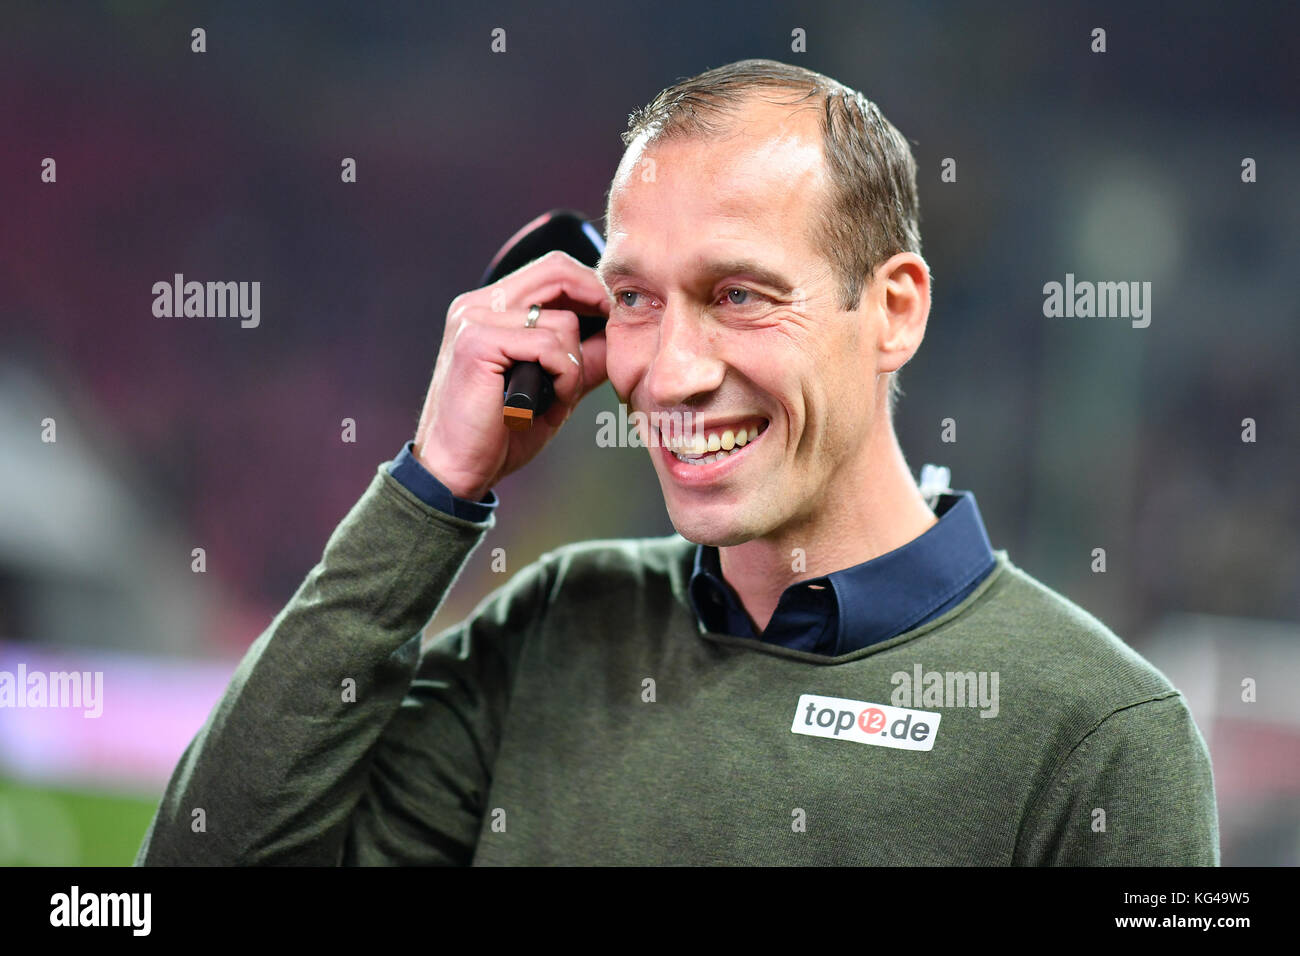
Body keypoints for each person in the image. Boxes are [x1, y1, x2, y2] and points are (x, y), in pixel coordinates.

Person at [136, 59, 1218, 866]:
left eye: (739, 294)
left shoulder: (1105, 737)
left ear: (892, 309)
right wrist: (435, 485)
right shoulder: (558, 624)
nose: (670, 372)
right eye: (637, 299)